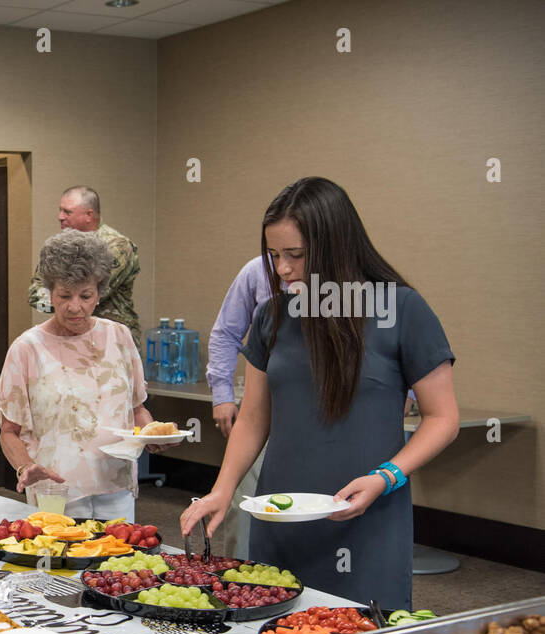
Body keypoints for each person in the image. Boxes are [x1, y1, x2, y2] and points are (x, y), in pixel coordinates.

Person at [181, 177, 460, 608]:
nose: (282, 269)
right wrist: (223, 489)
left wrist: (386, 477)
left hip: (369, 515)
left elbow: (443, 419)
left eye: (295, 255)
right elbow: (254, 418)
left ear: (336, 247)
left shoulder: (402, 310)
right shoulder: (273, 317)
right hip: (281, 513)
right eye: (274, 256)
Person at [0, 231, 158, 519]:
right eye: (64, 295)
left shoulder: (118, 336)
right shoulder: (27, 348)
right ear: (50, 293)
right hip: (54, 488)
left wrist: (154, 435)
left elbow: (137, 410)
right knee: (58, 559)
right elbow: (9, 431)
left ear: (99, 291)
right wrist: (24, 467)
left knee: (116, 561)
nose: (75, 306)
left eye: (86, 296)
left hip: (115, 485)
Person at [206, 255, 277, 557]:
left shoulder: (349, 279)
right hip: (261, 403)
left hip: (317, 414)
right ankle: (237, 581)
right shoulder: (256, 271)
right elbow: (226, 332)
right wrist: (222, 393)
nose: (285, 266)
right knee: (244, 501)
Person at [26, 186, 141, 347]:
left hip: (110, 341)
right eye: (60, 211)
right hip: (68, 337)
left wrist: (60, 298)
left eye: (67, 212)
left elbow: (96, 293)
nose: (60, 217)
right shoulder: (60, 247)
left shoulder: (117, 246)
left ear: (89, 215)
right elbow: (34, 294)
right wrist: (59, 299)